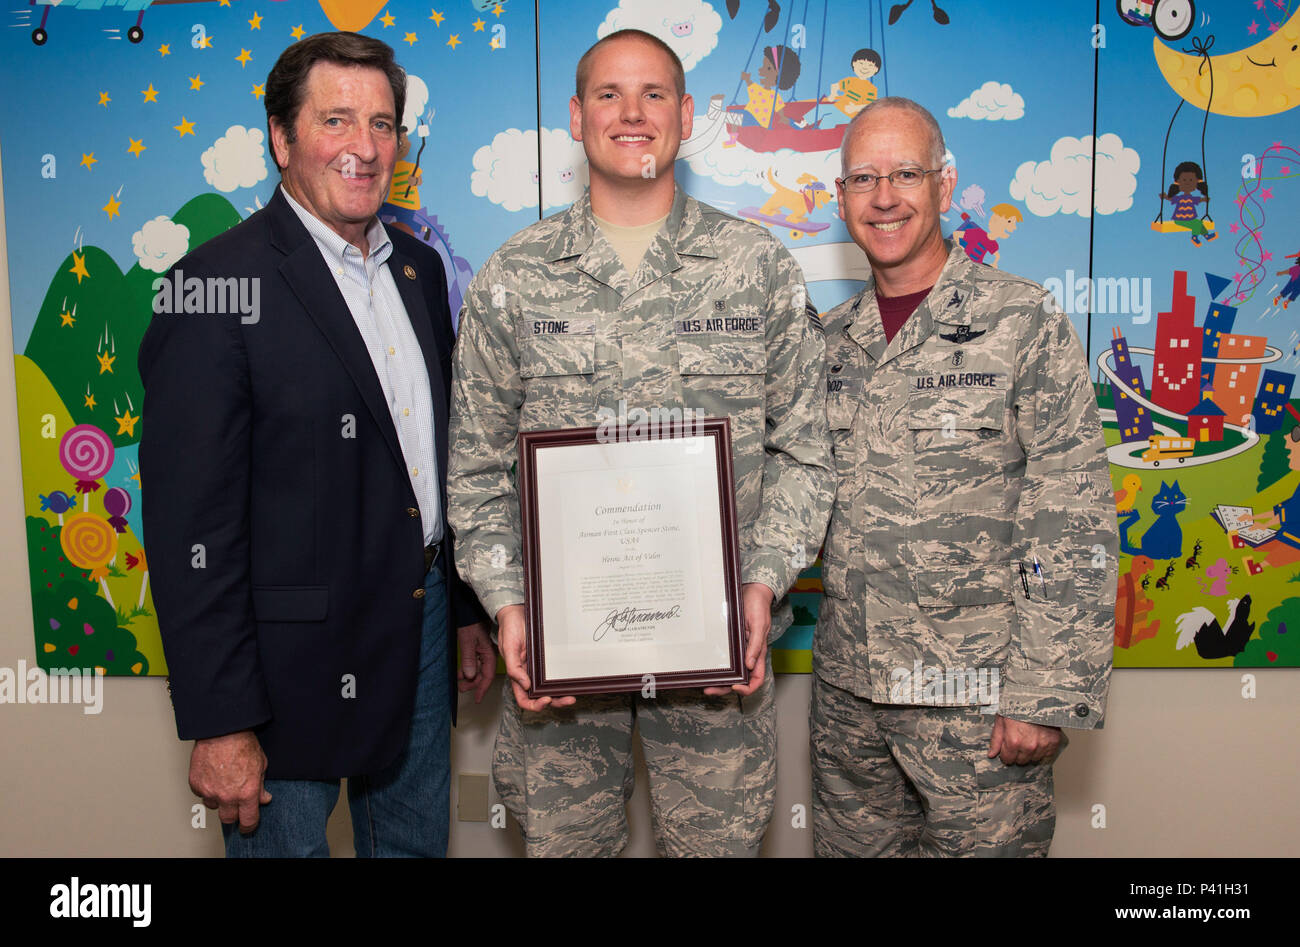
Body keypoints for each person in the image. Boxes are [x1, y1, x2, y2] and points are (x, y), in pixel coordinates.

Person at [448, 28, 833, 857]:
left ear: (686, 115)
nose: (632, 113)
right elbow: (475, 472)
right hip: (560, 658)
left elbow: (806, 453)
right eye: (610, 95)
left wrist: (761, 585)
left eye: (654, 94)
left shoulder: (756, 266)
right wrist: (510, 603)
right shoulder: (514, 278)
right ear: (578, 117)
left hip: (716, 661)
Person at [138, 31, 493, 858]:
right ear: (280, 136)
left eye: (382, 123)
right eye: (336, 120)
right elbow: (192, 527)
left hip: (421, 621)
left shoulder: (417, 268)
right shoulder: (211, 289)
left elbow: (432, 460)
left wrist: (464, 608)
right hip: (283, 664)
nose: (365, 148)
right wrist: (222, 719)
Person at [812, 97, 1118, 857]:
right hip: (850, 708)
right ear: (841, 196)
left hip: (977, 708)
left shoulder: (1021, 321)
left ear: (944, 186)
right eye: (863, 178)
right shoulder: (829, 345)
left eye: (906, 174)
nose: (885, 197)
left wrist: (1043, 694)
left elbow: (1072, 510)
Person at [1159, 160, 1216, 246]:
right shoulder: (1179, 198)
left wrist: (1204, 199)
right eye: (1184, 180)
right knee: (1197, 223)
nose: (1187, 183)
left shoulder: (1192, 199)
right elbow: (1171, 199)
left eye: (1191, 180)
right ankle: (1194, 237)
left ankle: (1207, 235)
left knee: (1199, 223)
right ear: (1178, 182)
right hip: (1180, 219)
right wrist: (1165, 197)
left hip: (1190, 219)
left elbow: (1199, 200)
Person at [954, 202, 1021, 268]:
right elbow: (956, 234)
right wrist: (959, 246)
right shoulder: (978, 233)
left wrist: (995, 263)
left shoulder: (993, 244)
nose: (1014, 227)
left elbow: (997, 256)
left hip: (974, 266)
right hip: (962, 261)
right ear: (995, 220)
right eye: (1009, 221)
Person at [829, 47, 881, 119]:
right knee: (820, 110)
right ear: (854, 64)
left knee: (827, 118)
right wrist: (833, 95)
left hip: (849, 116)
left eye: (870, 65)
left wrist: (854, 108)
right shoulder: (850, 81)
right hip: (838, 107)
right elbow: (835, 86)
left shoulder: (871, 89)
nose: (865, 68)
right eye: (861, 63)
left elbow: (868, 106)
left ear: (876, 69)